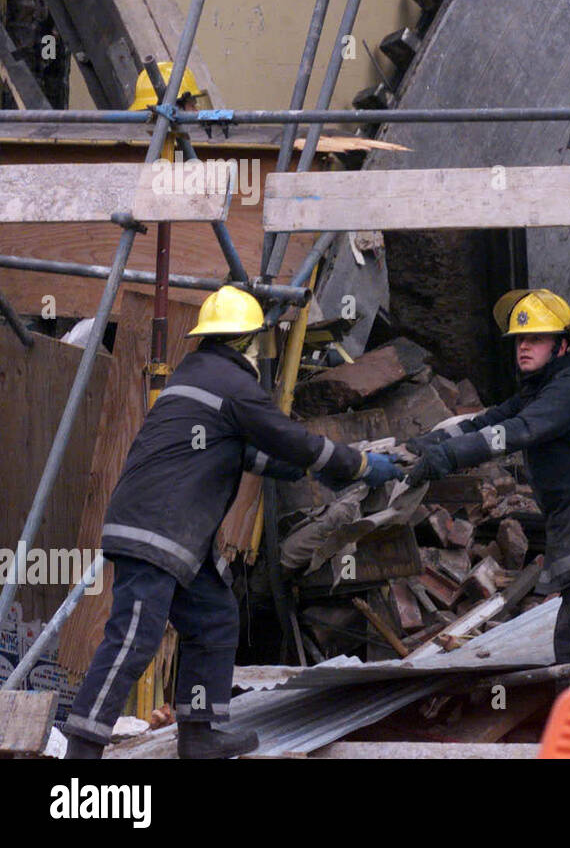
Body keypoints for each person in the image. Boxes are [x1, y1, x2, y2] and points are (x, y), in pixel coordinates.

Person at [64, 286, 402, 759]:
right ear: (249, 341)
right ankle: (81, 751)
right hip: (156, 530)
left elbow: (240, 450)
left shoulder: (199, 374)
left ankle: (200, 734)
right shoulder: (234, 383)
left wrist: (310, 468)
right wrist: (360, 466)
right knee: (134, 637)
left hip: (175, 534)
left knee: (213, 619)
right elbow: (289, 438)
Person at [407, 288, 570, 665]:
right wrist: (417, 447)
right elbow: (485, 422)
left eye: (536, 339)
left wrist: (447, 457)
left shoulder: (568, 389)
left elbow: (519, 430)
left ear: (562, 346)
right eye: (519, 340)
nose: (524, 347)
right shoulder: (539, 392)